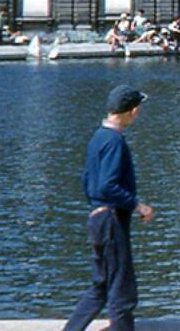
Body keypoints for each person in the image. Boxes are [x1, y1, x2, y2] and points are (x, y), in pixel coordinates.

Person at [64, 84, 155, 331]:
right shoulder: (115, 141)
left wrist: (98, 207)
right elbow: (108, 186)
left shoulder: (98, 137)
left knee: (101, 286)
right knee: (123, 291)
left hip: (97, 219)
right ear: (133, 111)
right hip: (112, 221)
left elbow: (87, 181)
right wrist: (139, 206)